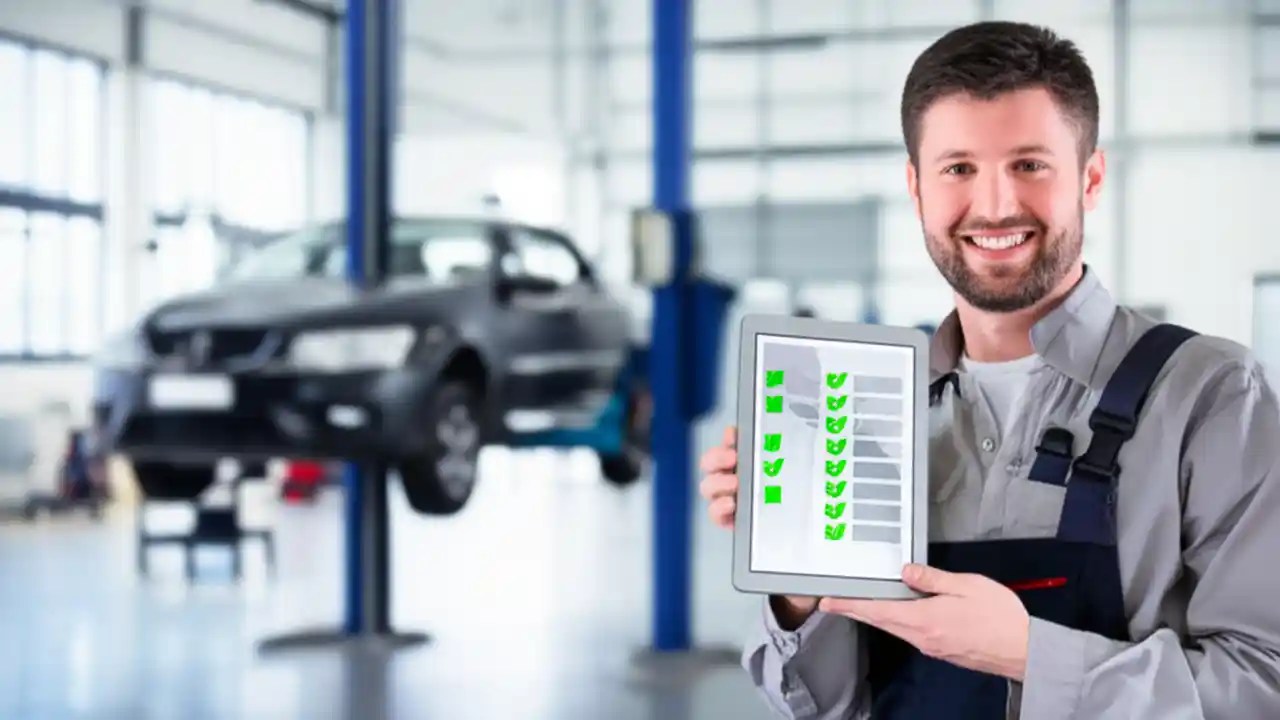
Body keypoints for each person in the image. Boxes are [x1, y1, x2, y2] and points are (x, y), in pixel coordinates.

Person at [698, 21, 1280, 719]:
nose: (996, 205)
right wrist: (799, 578)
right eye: (959, 168)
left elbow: (1262, 686)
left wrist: (1030, 655)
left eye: (1030, 164)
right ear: (916, 188)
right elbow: (829, 707)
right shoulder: (870, 413)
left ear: (1090, 177)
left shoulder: (1210, 395)